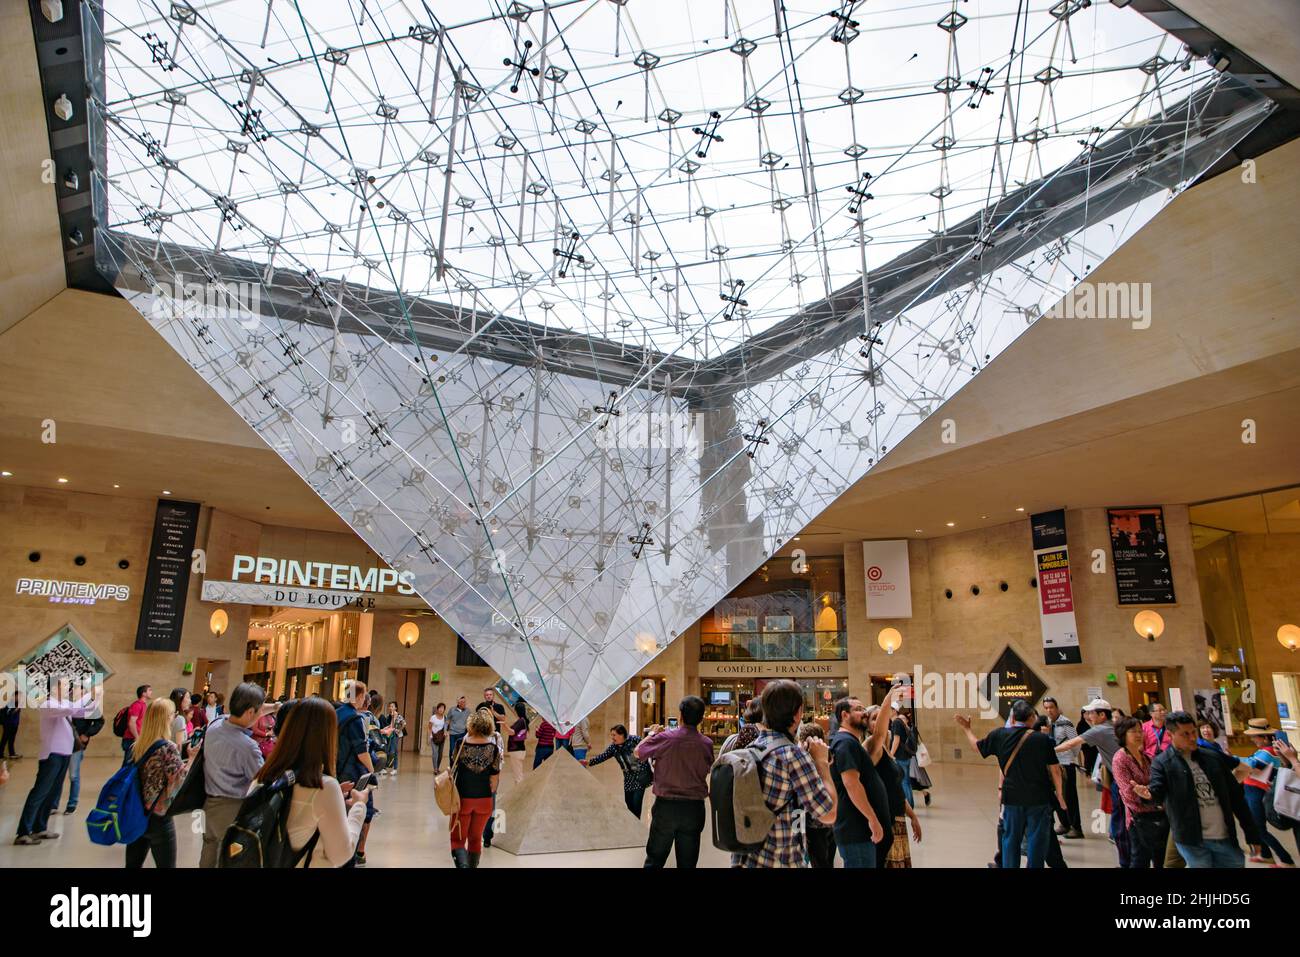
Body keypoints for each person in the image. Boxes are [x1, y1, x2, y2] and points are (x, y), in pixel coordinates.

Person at [729, 679, 835, 868]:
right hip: (779, 861)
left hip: (746, 860)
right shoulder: (792, 755)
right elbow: (828, 814)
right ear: (798, 713)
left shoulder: (752, 749)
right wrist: (821, 763)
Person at [250, 696, 367, 867]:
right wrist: (359, 807)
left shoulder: (264, 776)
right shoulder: (324, 786)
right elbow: (341, 854)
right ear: (326, 735)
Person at [1141, 710, 1261, 868]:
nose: (1192, 738)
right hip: (1191, 841)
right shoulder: (1162, 763)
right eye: (1185, 734)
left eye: (1193, 732)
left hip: (1224, 837)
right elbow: (1157, 791)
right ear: (1170, 735)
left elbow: (1237, 798)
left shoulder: (1212, 757)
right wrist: (1148, 795)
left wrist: (1251, 834)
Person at [957, 699, 1063, 869]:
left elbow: (977, 747)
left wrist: (967, 729)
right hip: (1039, 798)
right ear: (1031, 719)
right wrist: (1061, 796)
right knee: (1037, 840)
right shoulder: (1042, 740)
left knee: (1010, 838)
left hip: (1012, 797)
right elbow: (1056, 770)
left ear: (1012, 719)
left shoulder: (999, 735)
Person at [13, 680, 98, 845]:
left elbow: (85, 711)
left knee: (52, 793)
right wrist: (86, 696)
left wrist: (91, 697)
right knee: (40, 792)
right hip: (52, 754)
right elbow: (71, 709)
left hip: (66, 753)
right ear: (53, 688)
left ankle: (40, 827)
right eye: (64, 686)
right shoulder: (47, 703)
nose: (68, 688)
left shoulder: (65, 703)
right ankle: (23, 832)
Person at [200, 682, 276, 868]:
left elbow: (250, 709)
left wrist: (274, 707)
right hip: (231, 805)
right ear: (250, 712)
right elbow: (262, 777)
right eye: (258, 711)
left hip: (210, 802)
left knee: (210, 847)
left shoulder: (215, 725)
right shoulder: (247, 746)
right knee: (229, 855)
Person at [634, 696, 715, 869]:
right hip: (694, 809)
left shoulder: (665, 738)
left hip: (666, 808)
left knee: (654, 860)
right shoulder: (707, 744)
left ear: (680, 716)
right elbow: (707, 767)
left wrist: (651, 734)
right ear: (701, 718)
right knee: (688, 862)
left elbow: (638, 752)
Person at [1054, 698, 1128, 866]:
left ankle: (1126, 860)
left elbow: (1071, 743)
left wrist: (1045, 749)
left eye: (1091, 713)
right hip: (1123, 778)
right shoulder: (1113, 727)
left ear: (1102, 714)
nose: (1088, 716)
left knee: (1121, 822)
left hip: (1121, 780)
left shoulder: (1100, 730)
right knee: (1122, 818)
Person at [126, 697, 187, 868]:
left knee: (132, 864)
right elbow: (178, 782)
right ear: (167, 718)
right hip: (159, 815)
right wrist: (193, 758)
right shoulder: (168, 747)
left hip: (137, 811)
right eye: (173, 714)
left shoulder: (138, 745)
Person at [827, 696, 887, 868]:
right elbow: (851, 784)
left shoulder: (850, 742)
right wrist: (872, 819)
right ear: (845, 715)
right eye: (859, 709)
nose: (865, 713)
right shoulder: (846, 743)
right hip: (855, 829)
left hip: (857, 828)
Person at [867, 695, 922, 868]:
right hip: (886, 820)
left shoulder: (887, 750)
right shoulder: (871, 748)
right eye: (874, 718)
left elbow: (895, 788)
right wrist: (889, 696)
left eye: (880, 717)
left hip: (898, 820)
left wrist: (912, 816)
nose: (879, 721)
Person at [1112, 716, 1169, 868]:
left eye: (1140, 731)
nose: (1138, 735)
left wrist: (1150, 794)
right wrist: (1149, 796)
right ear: (1123, 734)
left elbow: (1158, 785)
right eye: (1133, 731)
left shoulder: (1147, 757)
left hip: (1158, 813)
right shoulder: (1120, 759)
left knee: (1161, 858)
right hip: (1139, 818)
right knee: (1140, 859)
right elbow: (1128, 792)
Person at [449, 708, 501, 868]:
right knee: (476, 838)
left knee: (457, 839)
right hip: (484, 800)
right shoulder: (494, 749)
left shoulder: (460, 744)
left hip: (462, 799)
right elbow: (494, 781)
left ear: (470, 725)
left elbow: (453, 767)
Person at [1240, 719, 1295, 867]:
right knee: (1255, 826)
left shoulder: (1267, 753)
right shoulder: (1270, 751)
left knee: (1259, 829)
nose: (1252, 739)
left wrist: (1230, 758)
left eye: (1254, 736)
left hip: (1256, 792)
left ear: (1264, 738)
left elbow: (1249, 765)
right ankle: (1266, 855)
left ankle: (1286, 860)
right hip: (1254, 790)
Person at [335, 680, 375, 865]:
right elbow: (361, 751)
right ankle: (356, 852)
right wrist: (371, 769)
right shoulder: (354, 719)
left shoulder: (337, 713)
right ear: (359, 696)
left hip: (338, 767)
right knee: (362, 808)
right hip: (353, 770)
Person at [584, 725, 652, 818]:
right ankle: (632, 826)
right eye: (611, 735)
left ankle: (636, 829)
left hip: (640, 778)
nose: (612, 738)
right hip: (628, 779)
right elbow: (603, 756)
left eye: (614, 735)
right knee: (629, 806)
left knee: (636, 807)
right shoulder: (613, 747)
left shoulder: (635, 740)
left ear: (622, 735)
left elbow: (649, 748)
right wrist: (588, 762)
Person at [796, 723, 837, 868]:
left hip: (813, 821)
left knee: (817, 860)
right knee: (827, 859)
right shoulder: (829, 756)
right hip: (831, 822)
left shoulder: (802, 760)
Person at [1043, 696, 1083, 839]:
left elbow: (1076, 742)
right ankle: (1064, 823)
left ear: (1057, 708)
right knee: (1056, 796)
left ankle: (1076, 826)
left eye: (1051, 707)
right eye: (1046, 708)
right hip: (1052, 765)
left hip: (1066, 764)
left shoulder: (1066, 723)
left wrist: (1070, 757)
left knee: (1069, 796)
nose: (1049, 710)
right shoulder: (1046, 724)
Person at [60, 709, 104, 815]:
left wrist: (87, 734)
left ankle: (72, 803)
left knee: (73, 775)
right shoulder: (64, 700)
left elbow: (99, 721)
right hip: (61, 741)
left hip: (76, 743)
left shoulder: (87, 703)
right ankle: (53, 804)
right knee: (58, 774)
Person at [888, 708, 917, 808]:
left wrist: (890, 754)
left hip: (900, 756)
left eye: (889, 710)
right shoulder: (900, 722)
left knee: (904, 781)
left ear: (894, 711)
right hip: (905, 756)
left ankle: (908, 805)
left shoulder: (896, 722)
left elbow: (896, 740)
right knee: (906, 781)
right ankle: (911, 805)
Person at [122, 685, 152, 763]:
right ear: (143, 693)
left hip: (136, 739)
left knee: (132, 764)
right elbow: (131, 723)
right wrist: (137, 737)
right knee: (128, 764)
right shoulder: (137, 705)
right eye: (149, 690)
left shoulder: (143, 705)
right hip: (131, 739)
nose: (151, 692)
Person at [379, 701, 406, 774]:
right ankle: (384, 768)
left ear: (396, 708)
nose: (390, 708)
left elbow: (403, 723)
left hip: (395, 735)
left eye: (392, 706)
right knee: (387, 750)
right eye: (390, 706)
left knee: (393, 751)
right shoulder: (388, 716)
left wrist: (398, 730)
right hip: (388, 734)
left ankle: (395, 768)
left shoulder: (398, 715)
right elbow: (388, 725)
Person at [507, 701, 528, 783]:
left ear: (516, 711)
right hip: (518, 749)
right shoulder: (523, 720)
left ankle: (520, 794)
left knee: (518, 776)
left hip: (516, 749)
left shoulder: (521, 721)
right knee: (518, 774)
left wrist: (504, 725)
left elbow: (512, 732)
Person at [446, 695, 470, 763]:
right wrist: (445, 730)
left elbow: (470, 721)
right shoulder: (452, 710)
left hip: (462, 733)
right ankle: (452, 765)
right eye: (462, 702)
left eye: (465, 702)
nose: (464, 703)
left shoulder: (468, 711)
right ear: (458, 703)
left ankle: (459, 766)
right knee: (452, 750)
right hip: (453, 734)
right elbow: (447, 720)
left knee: (461, 751)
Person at [428, 702, 447, 772]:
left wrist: (446, 732)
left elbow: (446, 727)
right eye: (440, 708)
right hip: (434, 737)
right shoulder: (433, 717)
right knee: (435, 753)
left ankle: (437, 767)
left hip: (442, 738)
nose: (441, 709)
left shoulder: (445, 717)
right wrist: (430, 735)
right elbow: (429, 727)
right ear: (437, 709)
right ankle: (435, 769)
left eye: (443, 708)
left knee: (440, 754)